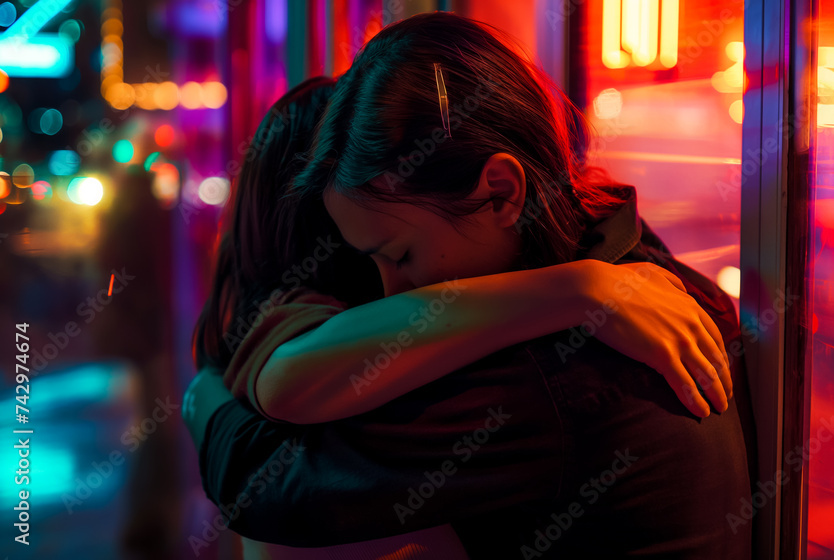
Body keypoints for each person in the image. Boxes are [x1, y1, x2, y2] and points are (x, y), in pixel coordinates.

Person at [188, 71, 740, 557]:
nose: (394, 295)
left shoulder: (546, 371)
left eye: (399, 254)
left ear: (501, 194)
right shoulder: (636, 266)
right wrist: (577, 288)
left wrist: (201, 395)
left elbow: (272, 485)